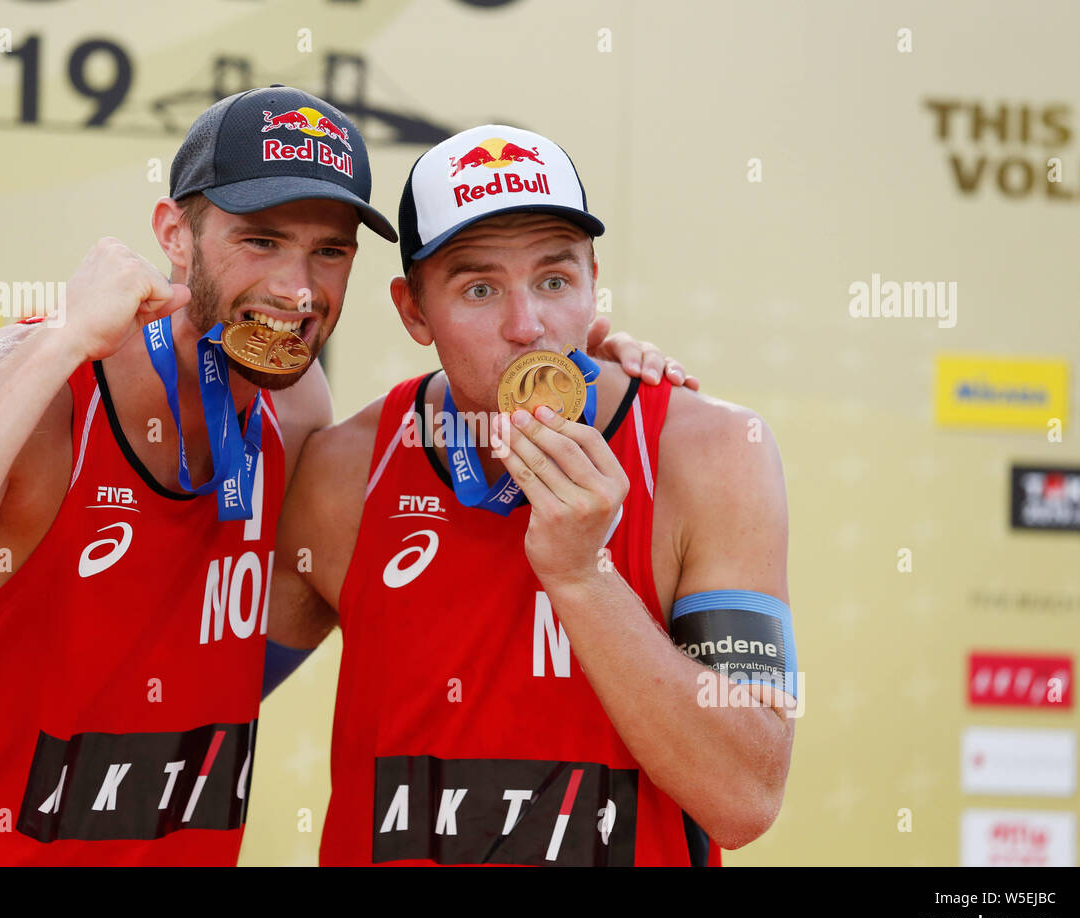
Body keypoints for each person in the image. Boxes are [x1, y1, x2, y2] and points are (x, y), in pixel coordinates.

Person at [0, 90, 689, 865]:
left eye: (328, 252)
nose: (297, 290)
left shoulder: (294, 411)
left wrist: (599, 362)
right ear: (173, 235)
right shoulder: (31, 388)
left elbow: (214, 664)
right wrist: (64, 342)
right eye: (260, 241)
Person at [268, 125, 798, 866]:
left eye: (554, 281)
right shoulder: (346, 470)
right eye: (480, 289)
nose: (529, 328)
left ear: (592, 283)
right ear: (413, 311)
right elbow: (191, 689)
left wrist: (584, 578)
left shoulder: (710, 453)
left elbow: (745, 797)